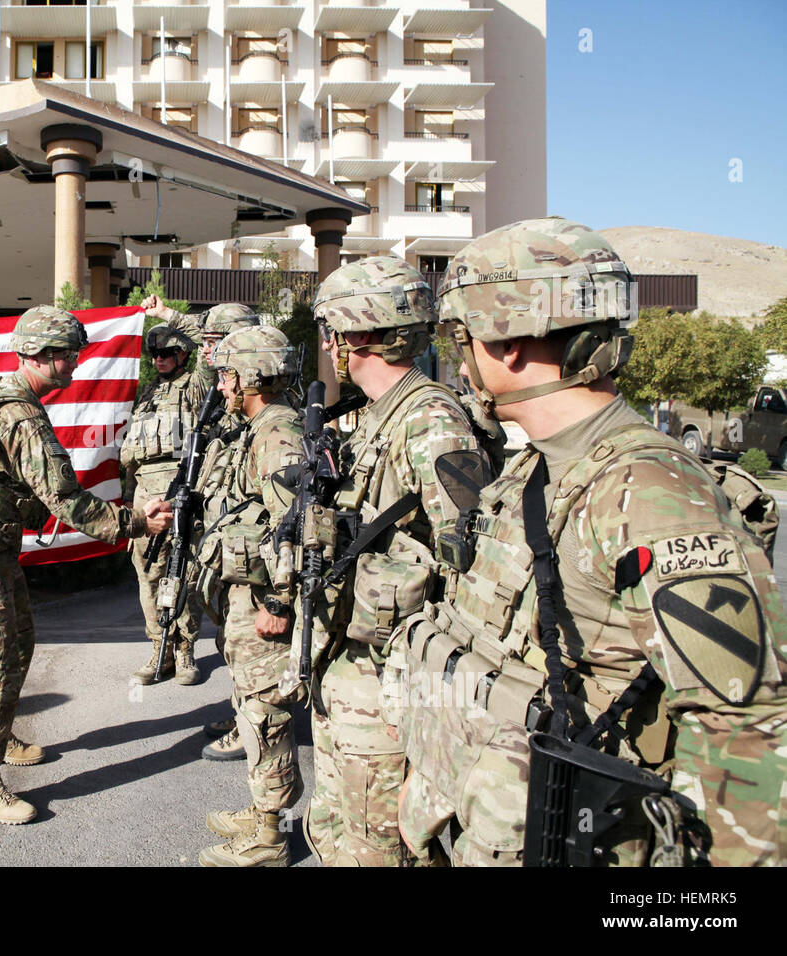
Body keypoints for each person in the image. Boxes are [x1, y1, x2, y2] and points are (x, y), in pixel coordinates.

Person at [393, 217, 787, 866]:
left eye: (462, 337)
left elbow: (745, 736)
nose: (461, 361)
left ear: (508, 343)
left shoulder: (650, 492)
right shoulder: (539, 469)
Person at [0, 306, 172, 826]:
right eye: (71, 356)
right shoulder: (20, 415)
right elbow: (67, 501)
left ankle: (0, 731)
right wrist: (134, 524)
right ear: (48, 357)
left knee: (20, 641)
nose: (77, 365)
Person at [296, 258, 499, 867]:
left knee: (378, 849)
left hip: (394, 684)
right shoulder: (380, 415)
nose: (327, 344)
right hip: (353, 661)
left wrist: (436, 728)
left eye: (332, 329)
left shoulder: (431, 422)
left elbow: (470, 576)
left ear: (360, 334)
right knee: (336, 833)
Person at [193, 325, 305, 866]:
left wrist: (280, 605)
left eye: (228, 374)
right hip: (247, 593)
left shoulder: (276, 436)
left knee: (267, 716)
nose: (221, 385)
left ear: (252, 376)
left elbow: (296, 527)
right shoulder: (256, 428)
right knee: (251, 709)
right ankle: (264, 811)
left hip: (264, 601)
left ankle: (272, 837)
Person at [141, 295, 262, 759]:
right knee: (228, 628)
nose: (208, 350)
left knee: (241, 631)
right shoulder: (223, 395)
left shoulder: (256, 401)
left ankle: (254, 726)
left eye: (216, 343)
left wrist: (170, 316)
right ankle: (243, 713)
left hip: (246, 541)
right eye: (207, 342)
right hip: (214, 522)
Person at [120, 324, 207, 685]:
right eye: (154, 354)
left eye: (166, 353)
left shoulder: (196, 386)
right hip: (143, 492)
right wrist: (127, 497)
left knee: (181, 570)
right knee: (148, 572)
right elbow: (132, 455)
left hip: (179, 490)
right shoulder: (146, 395)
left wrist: (166, 314)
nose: (158, 359)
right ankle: (160, 647)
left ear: (183, 354)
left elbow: (206, 341)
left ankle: (185, 649)